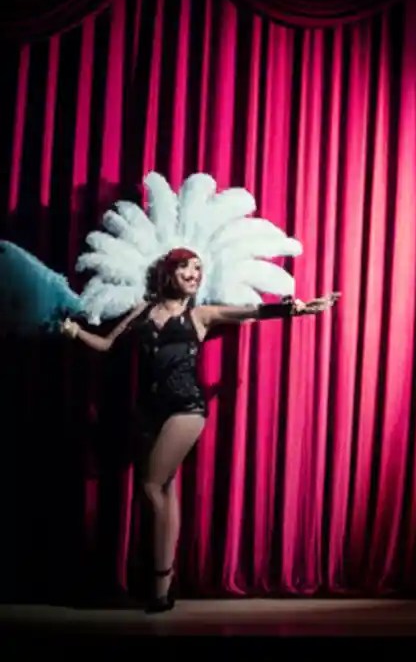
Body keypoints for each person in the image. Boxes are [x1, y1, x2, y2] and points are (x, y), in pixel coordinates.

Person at [58, 247, 338, 613]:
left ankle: (160, 583)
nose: (194, 274)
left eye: (199, 269)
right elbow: (108, 345)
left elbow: (251, 312)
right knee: (165, 488)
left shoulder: (201, 314)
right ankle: (162, 584)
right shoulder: (142, 310)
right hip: (147, 413)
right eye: (187, 268)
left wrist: (296, 308)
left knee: (150, 486)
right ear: (169, 272)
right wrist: (75, 331)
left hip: (186, 408)